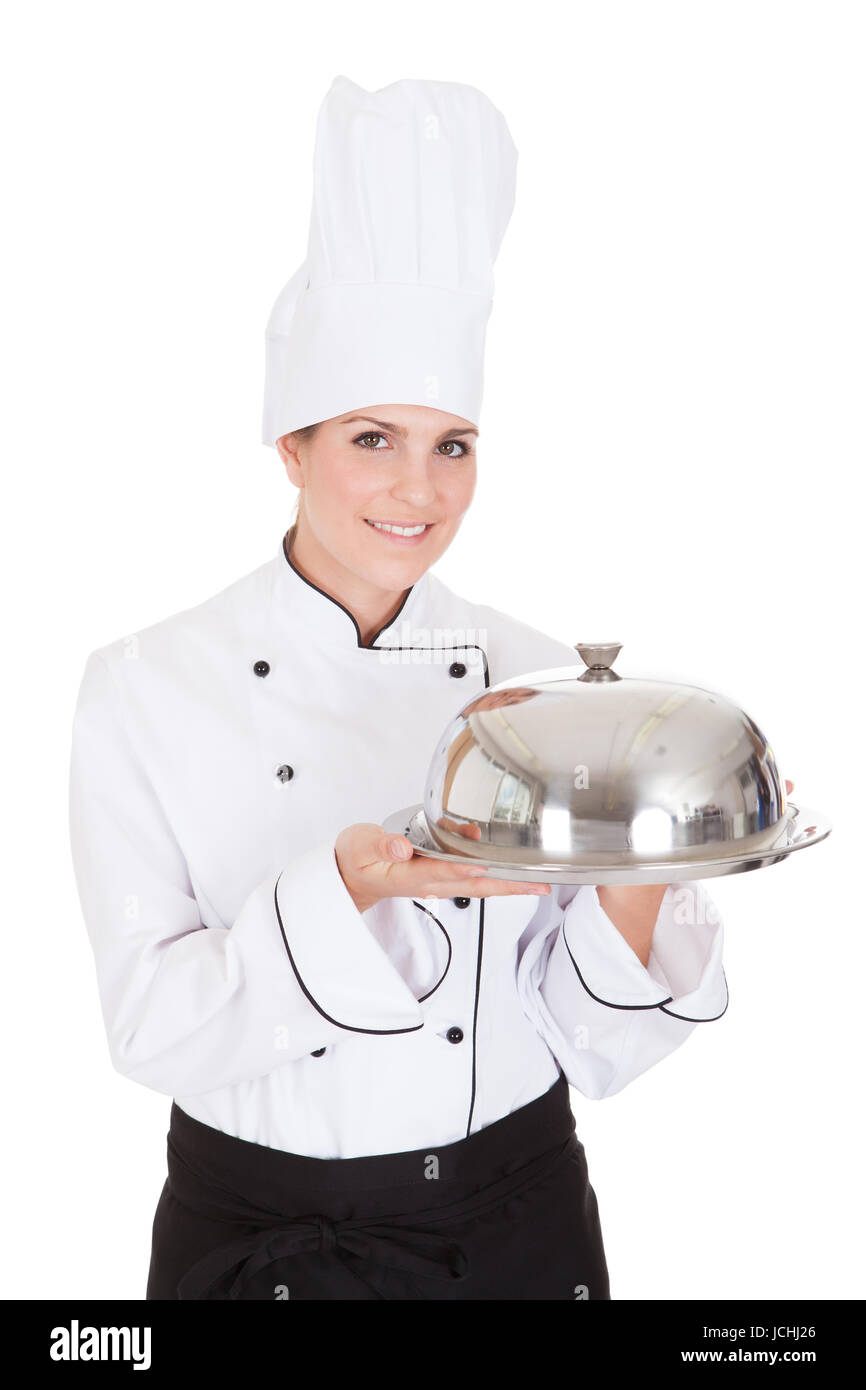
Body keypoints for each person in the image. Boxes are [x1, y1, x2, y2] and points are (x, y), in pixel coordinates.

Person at [68, 76, 735, 1302]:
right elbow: (152, 1026)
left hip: (518, 1218)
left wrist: (651, 865)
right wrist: (343, 886)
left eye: (452, 445)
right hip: (265, 1229)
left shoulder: (536, 681)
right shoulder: (145, 687)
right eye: (371, 438)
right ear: (291, 446)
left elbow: (589, 1040)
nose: (417, 492)